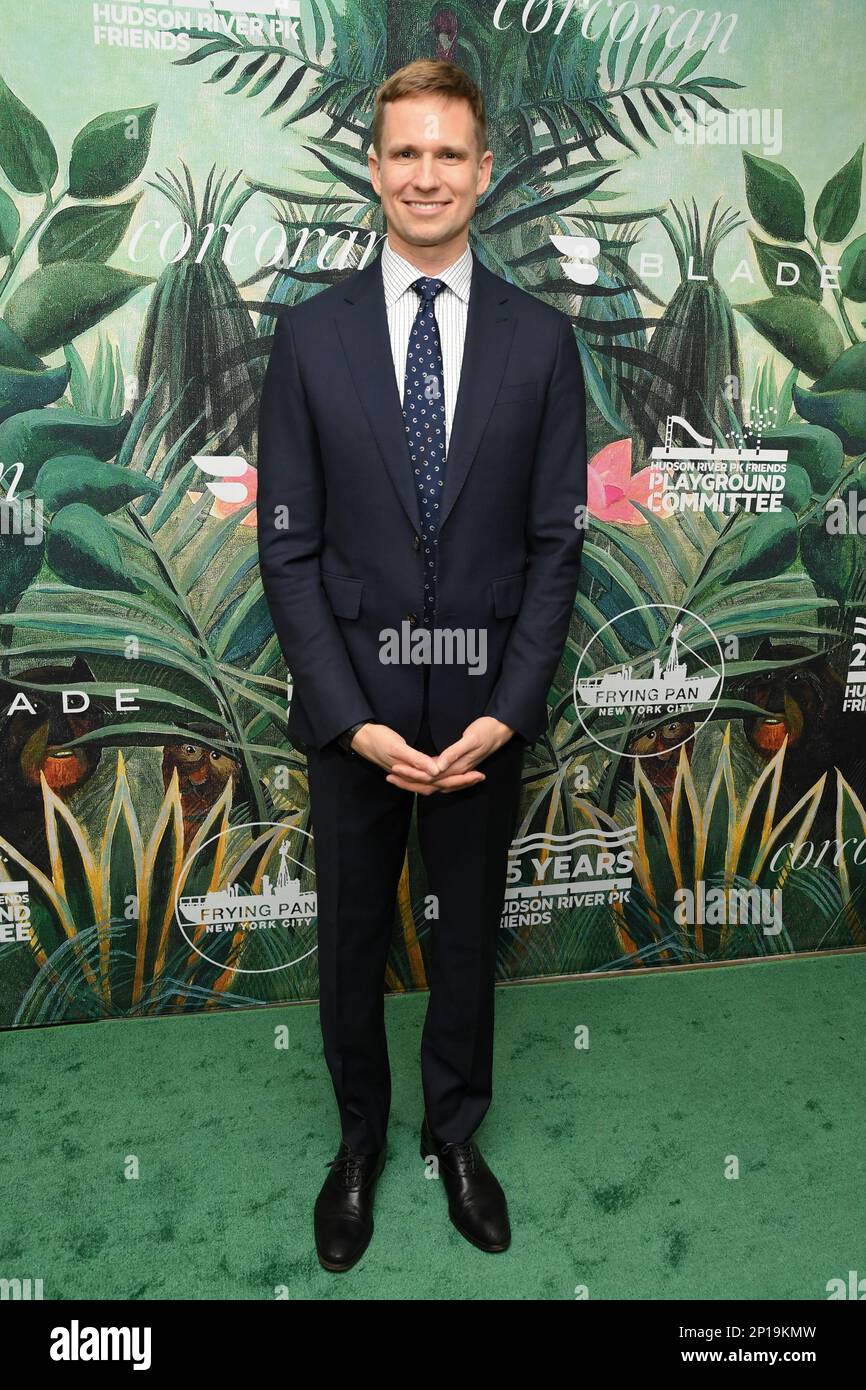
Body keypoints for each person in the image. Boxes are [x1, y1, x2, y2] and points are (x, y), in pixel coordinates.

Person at [257, 57, 587, 1272]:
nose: (427, 174)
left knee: (461, 937)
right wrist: (347, 720)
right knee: (353, 940)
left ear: (484, 172)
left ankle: (455, 1136)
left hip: (480, 726)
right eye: (406, 152)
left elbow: (556, 545)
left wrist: (508, 712)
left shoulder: (543, 343)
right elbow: (285, 552)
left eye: (450, 152)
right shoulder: (307, 338)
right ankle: (357, 1144)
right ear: (374, 169)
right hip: (357, 720)